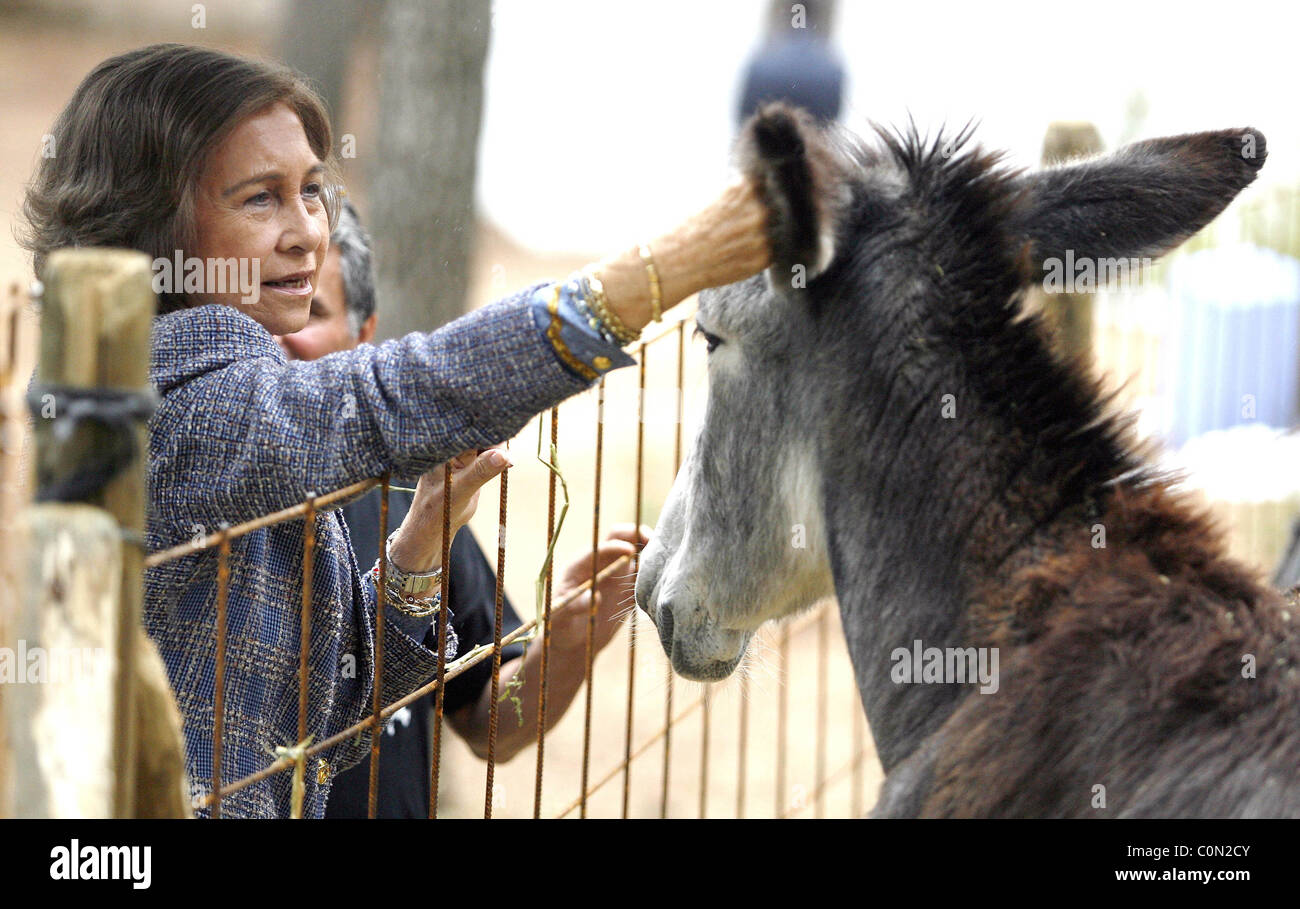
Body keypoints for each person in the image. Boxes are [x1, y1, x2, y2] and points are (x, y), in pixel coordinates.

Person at [19, 43, 769, 818]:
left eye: (312, 191)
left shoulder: (214, 406)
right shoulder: (179, 403)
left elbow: (327, 726)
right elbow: (398, 395)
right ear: (156, 224)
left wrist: (417, 551)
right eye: (259, 199)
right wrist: (662, 273)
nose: (308, 229)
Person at [277, 202, 642, 817]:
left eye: (309, 311)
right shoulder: (186, 504)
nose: (276, 335)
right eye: (255, 312)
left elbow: (489, 723)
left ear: (364, 338)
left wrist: (570, 639)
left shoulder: (410, 496)